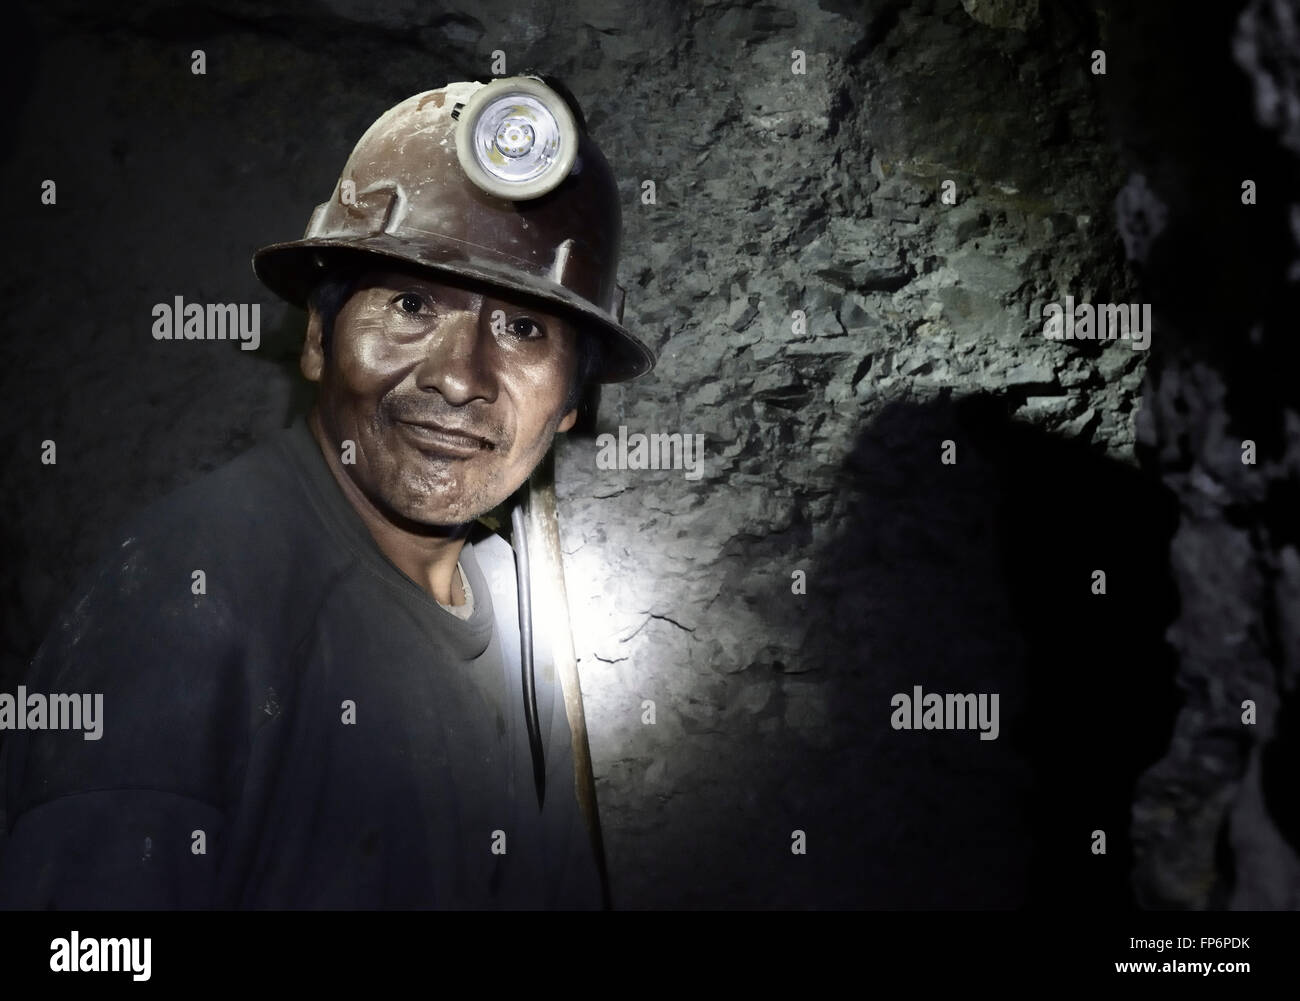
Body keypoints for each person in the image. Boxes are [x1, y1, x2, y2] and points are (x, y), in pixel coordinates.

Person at [0, 75, 655, 909]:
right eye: (413, 304)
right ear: (317, 336)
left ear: (571, 404)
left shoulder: (524, 610)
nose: (459, 378)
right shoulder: (183, 601)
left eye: (524, 329)